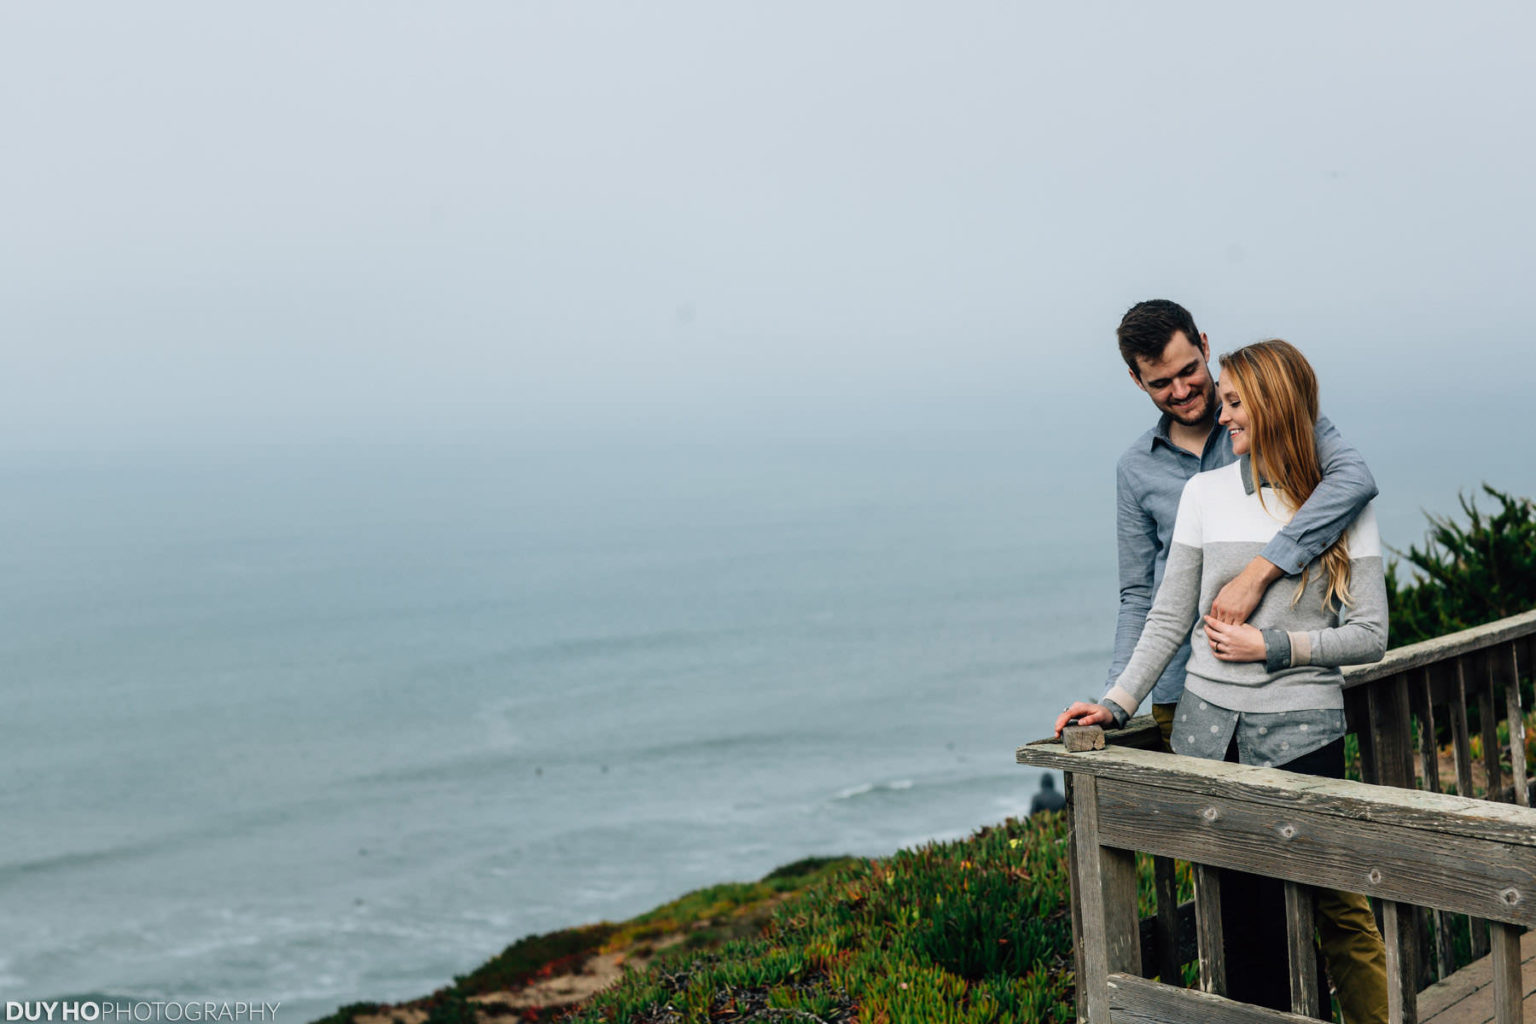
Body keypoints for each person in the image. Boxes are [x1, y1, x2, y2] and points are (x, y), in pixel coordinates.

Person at [1056, 339, 1389, 1022]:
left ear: (1267, 405)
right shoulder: (1203, 494)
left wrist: (1270, 645)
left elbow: (1371, 638)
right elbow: (1165, 613)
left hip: (1303, 734)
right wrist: (1116, 704)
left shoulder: (1337, 499)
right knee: (1244, 919)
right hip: (1208, 735)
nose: (1220, 414)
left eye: (1233, 402)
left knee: (1340, 905)